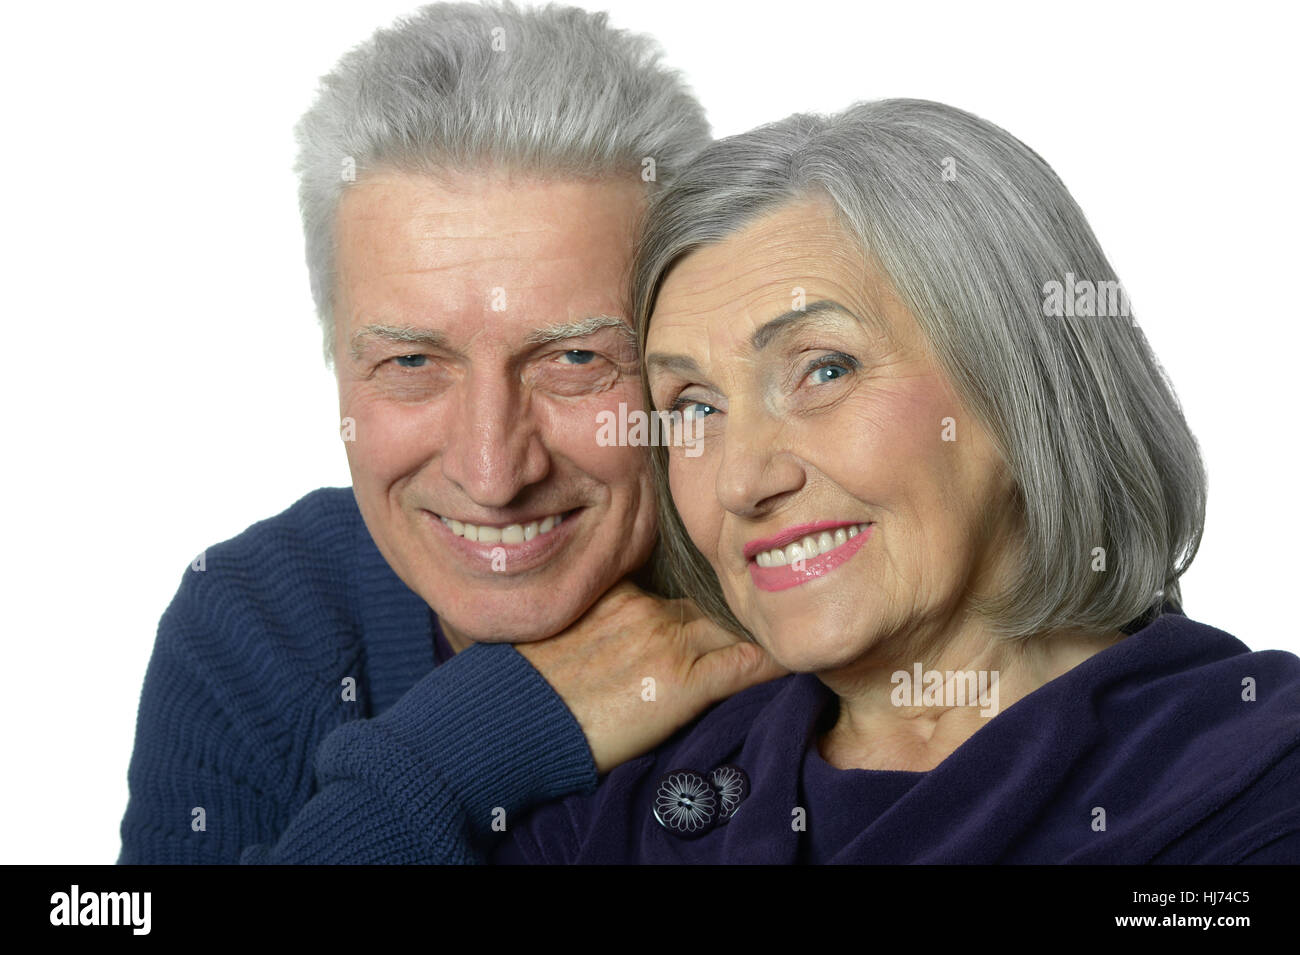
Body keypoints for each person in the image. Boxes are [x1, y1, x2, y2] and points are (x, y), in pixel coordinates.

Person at [491, 98, 1300, 863]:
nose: (742, 480)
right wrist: (463, 739)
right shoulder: (628, 793)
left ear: (1021, 390)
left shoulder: (1258, 780)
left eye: (825, 369)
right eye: (695, 407)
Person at [116, 1, 781, 865]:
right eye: (411, 364)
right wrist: (465, 748)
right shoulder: (260, 621)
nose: (493, 471)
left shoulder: (804, 587)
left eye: (575, 357)